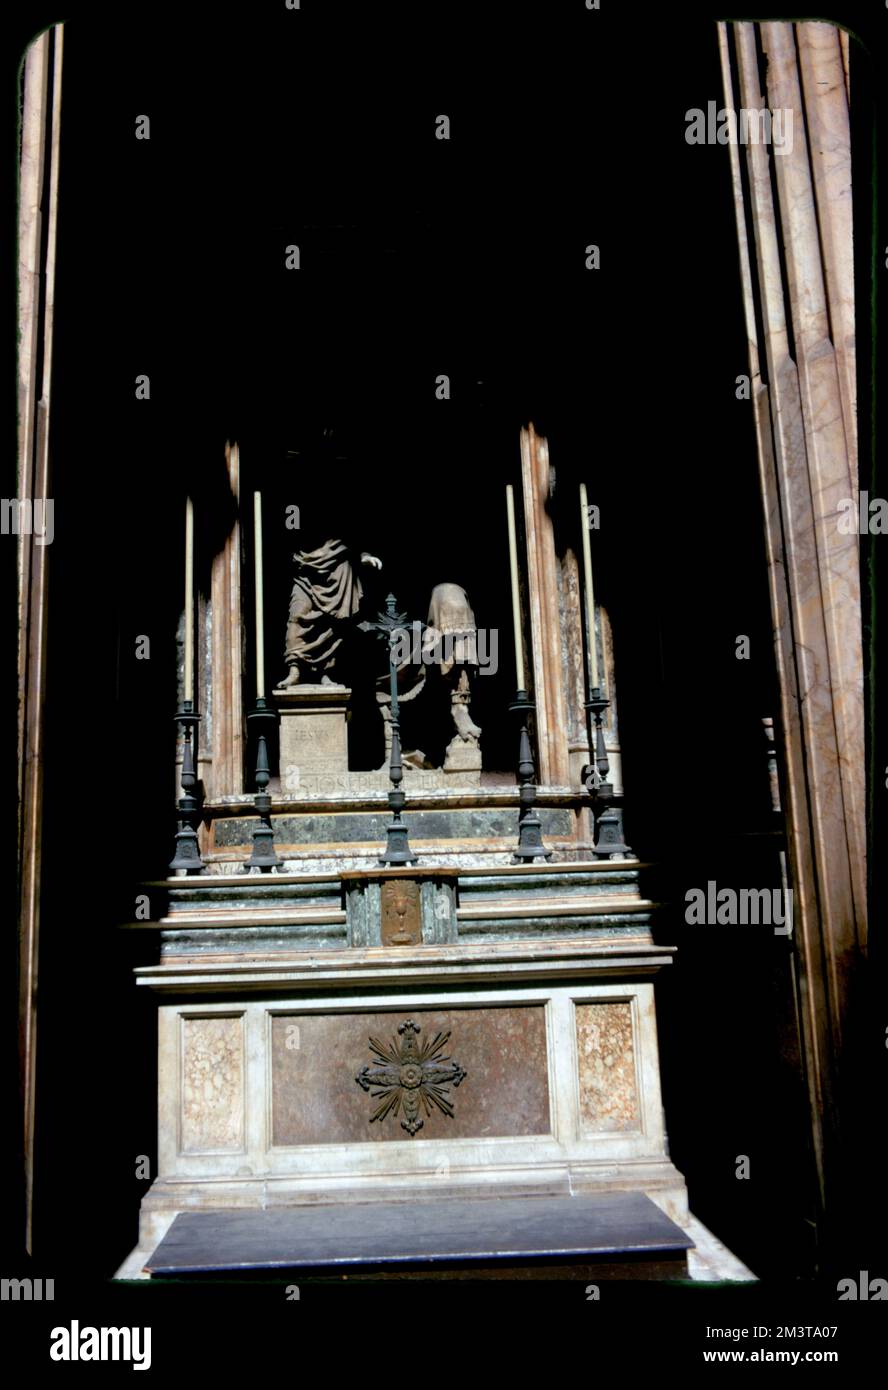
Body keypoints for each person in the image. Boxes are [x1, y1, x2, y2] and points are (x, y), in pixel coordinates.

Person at [275, 539, 382, 688]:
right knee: (297, 614)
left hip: (337, 564)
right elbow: (290, 523)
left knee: (330, 622)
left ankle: (325, 672)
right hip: (305, 566)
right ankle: (295, 669)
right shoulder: (295, 515)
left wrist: (363, 554)